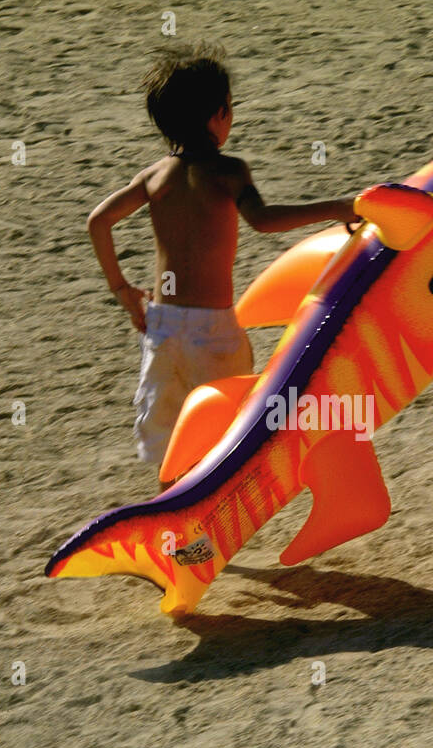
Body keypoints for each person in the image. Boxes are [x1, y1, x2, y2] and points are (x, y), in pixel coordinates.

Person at [86, 43, 356, 475]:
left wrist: (122, 290)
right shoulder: (229, 171)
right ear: (219, 115)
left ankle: (174, 530)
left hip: (163, 327)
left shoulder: (155, 176)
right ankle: (207, 529)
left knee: (172, 442)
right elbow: (263, 220)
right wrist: (339, 207)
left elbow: (98, 221)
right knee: (226, 434)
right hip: (212, 330)